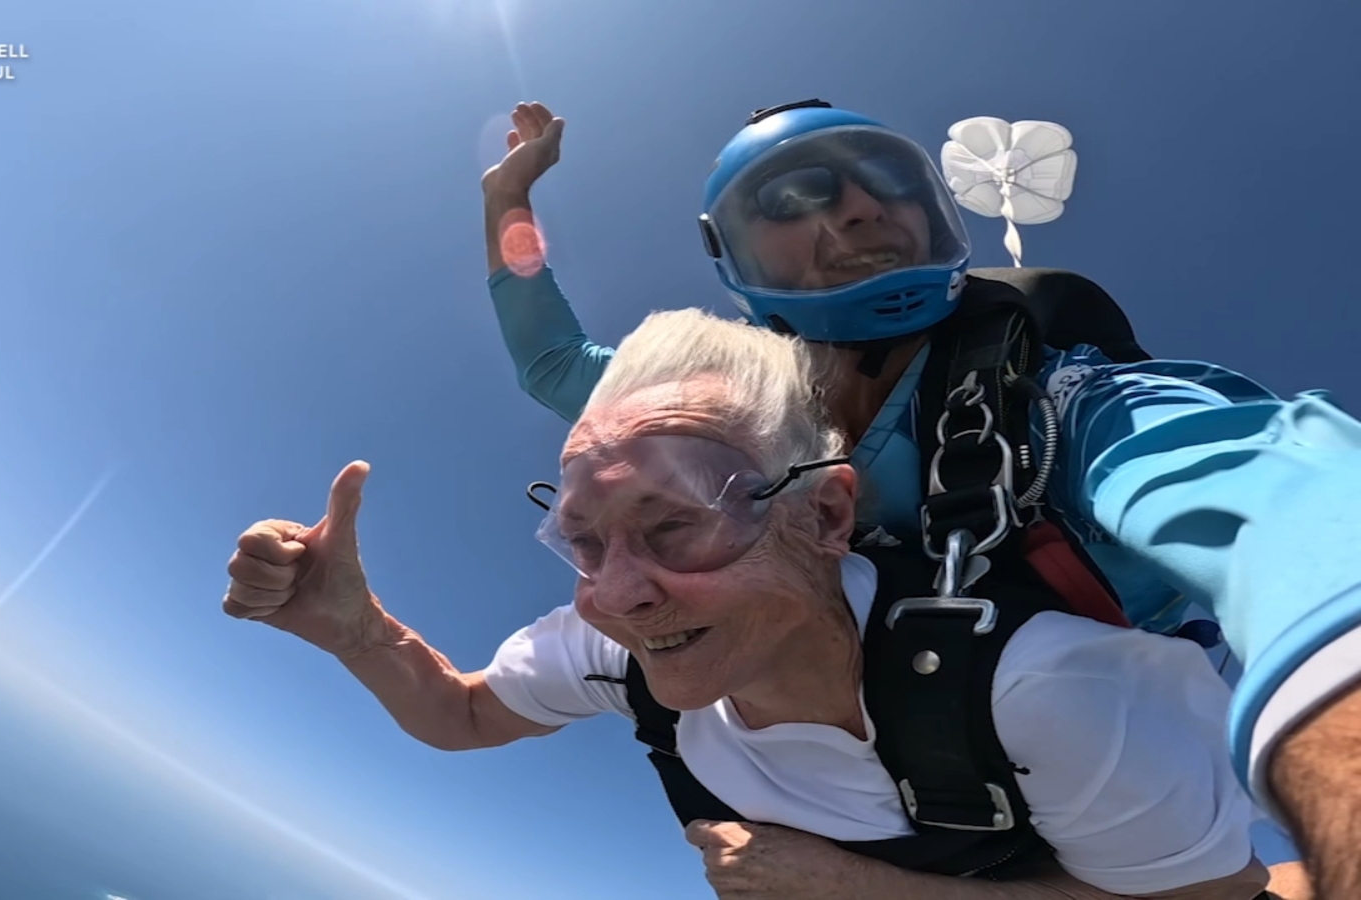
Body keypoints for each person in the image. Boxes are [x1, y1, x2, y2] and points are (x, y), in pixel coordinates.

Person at [479, 100, 1361, 897]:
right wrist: (506, 198)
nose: (864, 208)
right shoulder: (720, 420)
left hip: (1121, 762)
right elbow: (553, 362)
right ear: (731, 251)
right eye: (793, 197)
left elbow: (1275, 496)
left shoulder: (1054, 407)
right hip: (920, 757)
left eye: (894, 184)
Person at [222, 309, 1279, 899]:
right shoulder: (612, 654)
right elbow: (458, 717)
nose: (616, 593)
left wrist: (855, 891)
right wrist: (354, 633)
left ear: (824, 518)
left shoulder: (1053, 691)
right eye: (581, 543)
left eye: (676, 524)